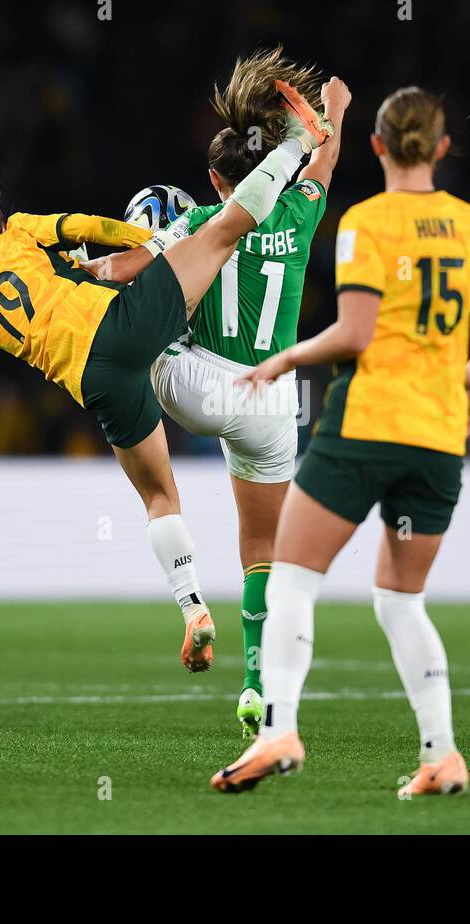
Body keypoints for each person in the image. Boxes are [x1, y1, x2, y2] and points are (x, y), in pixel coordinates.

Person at [0, 79, 334, 674]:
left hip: (101, 384)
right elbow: (92, 225)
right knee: (222, 232)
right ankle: (297, 143)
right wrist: (155, 241)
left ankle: (193, 607)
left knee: (158, 496)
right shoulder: (19, 229)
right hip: (145, 337)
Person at [209, 87, 470, 795]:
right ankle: (441, 754)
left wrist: (284, 359)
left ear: (378, 147)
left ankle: (279, 731)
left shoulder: (366, 222)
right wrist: (467, 384)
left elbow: (355, 335)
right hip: (438, 441)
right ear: (440, 149)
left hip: (367, 424)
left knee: (291, 577)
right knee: (401, 600)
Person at [117, 53, 350, 736]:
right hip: (275, 400)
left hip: (200, 384)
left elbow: (130, 264)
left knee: (140, 332)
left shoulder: (199, 224)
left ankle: (194, 606)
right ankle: (254, 684)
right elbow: (322, 165)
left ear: (214, 180)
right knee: (261, 548)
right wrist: (332, 110)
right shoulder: (304, 213)